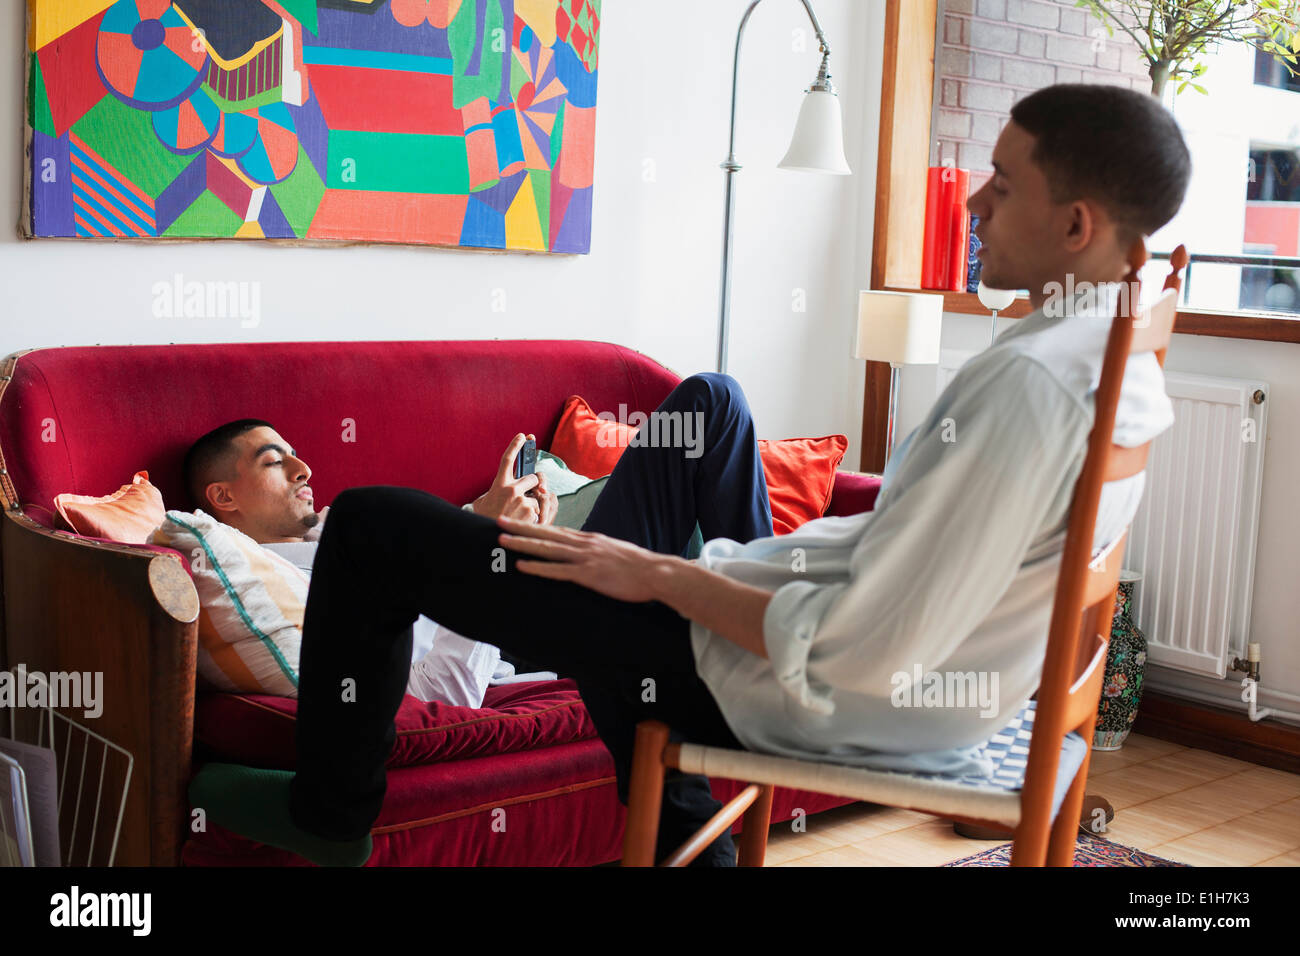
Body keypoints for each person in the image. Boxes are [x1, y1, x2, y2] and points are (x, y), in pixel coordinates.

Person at [191, 83, 1191, 868]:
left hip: (825, 692)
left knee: (372, 524)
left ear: (1077, 227)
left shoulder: (1023, 385)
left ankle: (326, 813)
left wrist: (668, 579)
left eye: (1003, 183)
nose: (974, 201)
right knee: (709, 402)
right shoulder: (1109, 351)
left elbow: (870, 645)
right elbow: (879, 566)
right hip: (883, 671)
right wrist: (725, 562)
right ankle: (673, 820)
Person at [181, 423, 567, 706]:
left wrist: (513, 534)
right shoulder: (284, 592)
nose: (303, 469)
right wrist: (489, 538)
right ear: (224, 496)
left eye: (295, 454)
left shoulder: (345, 530)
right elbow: (444, 697)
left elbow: (439, 561)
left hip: (533, 623)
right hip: (512, 664)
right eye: (273, 461)